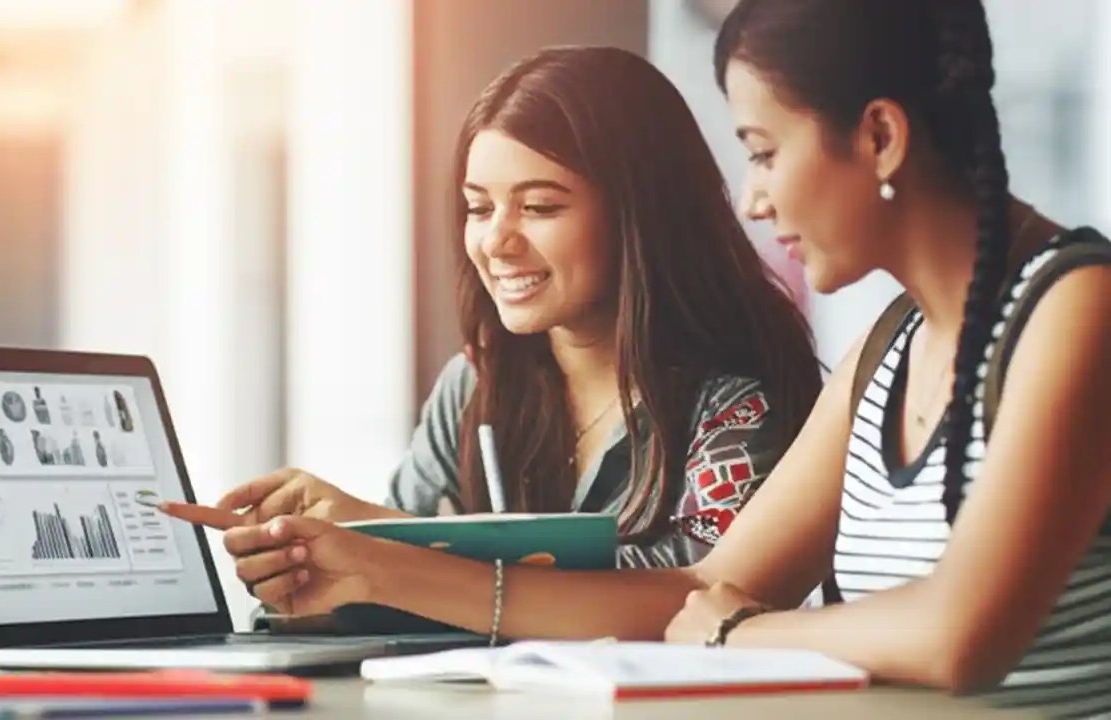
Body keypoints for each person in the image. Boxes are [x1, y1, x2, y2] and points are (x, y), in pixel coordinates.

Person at [162, 46, 821, 639]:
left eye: (539, 207)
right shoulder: (475, 385)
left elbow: (692, 602)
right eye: (479, 207)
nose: (496, 242)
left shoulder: (739, 406)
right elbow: (387, 599)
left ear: (641, 215)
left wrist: (380, 543)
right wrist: (305, 562)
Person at [661, 0, 1111, 712]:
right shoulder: (890, 347)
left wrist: (739, 636)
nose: (753, 200)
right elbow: (705, 589)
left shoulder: (1079, 306)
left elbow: (957, 635)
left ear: (879, 135)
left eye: (763, 153)